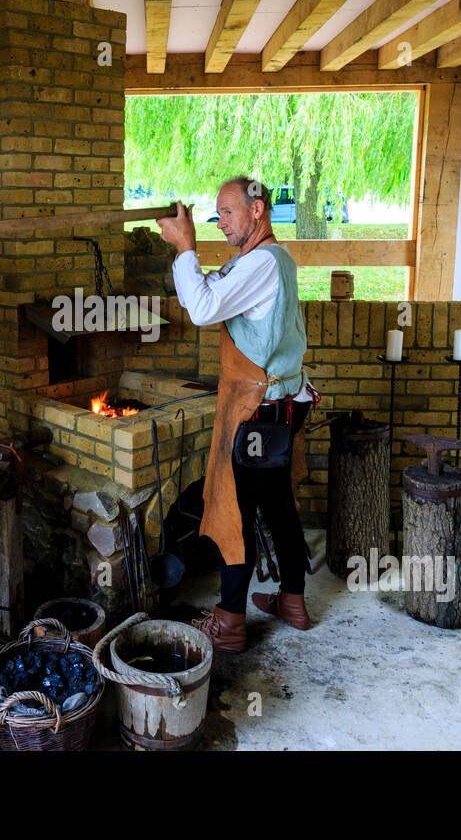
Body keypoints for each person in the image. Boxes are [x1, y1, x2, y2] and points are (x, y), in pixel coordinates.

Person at [157, 177, 318, 654]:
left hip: (258, 416)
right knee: (280, 509)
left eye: (228, 212)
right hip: (282, 407)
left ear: (257, 211)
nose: (220, 221)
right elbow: (210, 297)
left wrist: (185, 246)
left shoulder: (261, 265)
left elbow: (202, 308)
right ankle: (292, 600)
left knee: (234, 515)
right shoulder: (273, 261)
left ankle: (229, 622)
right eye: (217, 214)